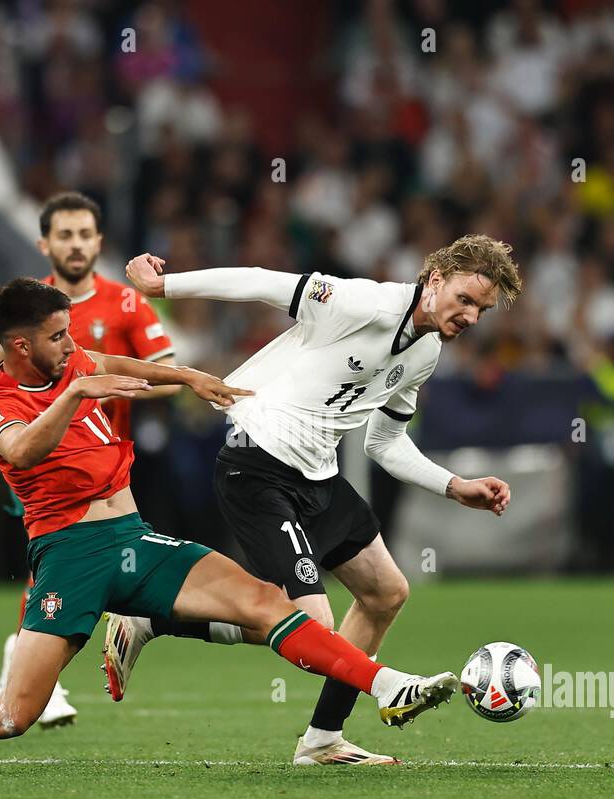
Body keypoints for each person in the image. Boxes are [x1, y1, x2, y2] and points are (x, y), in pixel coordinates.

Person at [0, 279, 460, 775]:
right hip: (69, 557)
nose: (71, 345)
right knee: (15, 715)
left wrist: (186, 376)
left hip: (133, 539)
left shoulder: (70, 361)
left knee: (271, 605)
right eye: (57, 337)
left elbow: (121, 365)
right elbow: (19, 452)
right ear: (20, 346)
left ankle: (387, 684)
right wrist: (76, 395)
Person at [107, 234, 520, 766]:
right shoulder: (362, 302)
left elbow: (384, 442)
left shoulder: (426, 351)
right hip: (256, 463)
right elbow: (262, 282)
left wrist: (453, 484)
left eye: (482, 310)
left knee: (386, 593)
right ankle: (151, 619)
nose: (471, 317)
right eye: (465, 299)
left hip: (316, 476)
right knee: (312, 626)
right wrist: (164, 285)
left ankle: (323, 739)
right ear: (434, 279)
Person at [0, 191, 181, 728]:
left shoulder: (126, 303)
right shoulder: (28, 307)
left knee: (104, 567)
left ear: (99, 242)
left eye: (85, 234)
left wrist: (103, 390)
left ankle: (29, 670)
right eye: (64, 235)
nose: (75, 245)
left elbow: (163, 372)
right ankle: (35, 676)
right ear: (46, 243)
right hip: (47, 465)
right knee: (58, 563)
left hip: (111, 465)